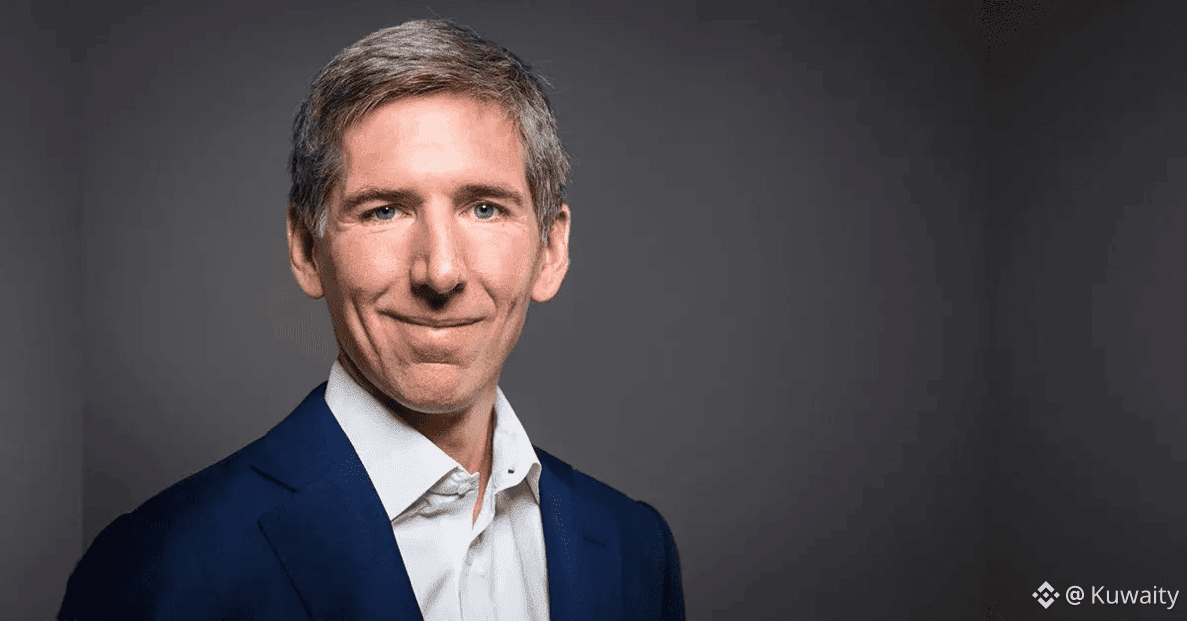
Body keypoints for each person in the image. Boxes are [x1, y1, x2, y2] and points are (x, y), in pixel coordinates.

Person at [58, 19, 684, 621]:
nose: (440, 271)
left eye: (485, 208)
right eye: (385, 210)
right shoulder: (157, 569)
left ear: (551, 250)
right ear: (307, 249)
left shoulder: (634, 548)